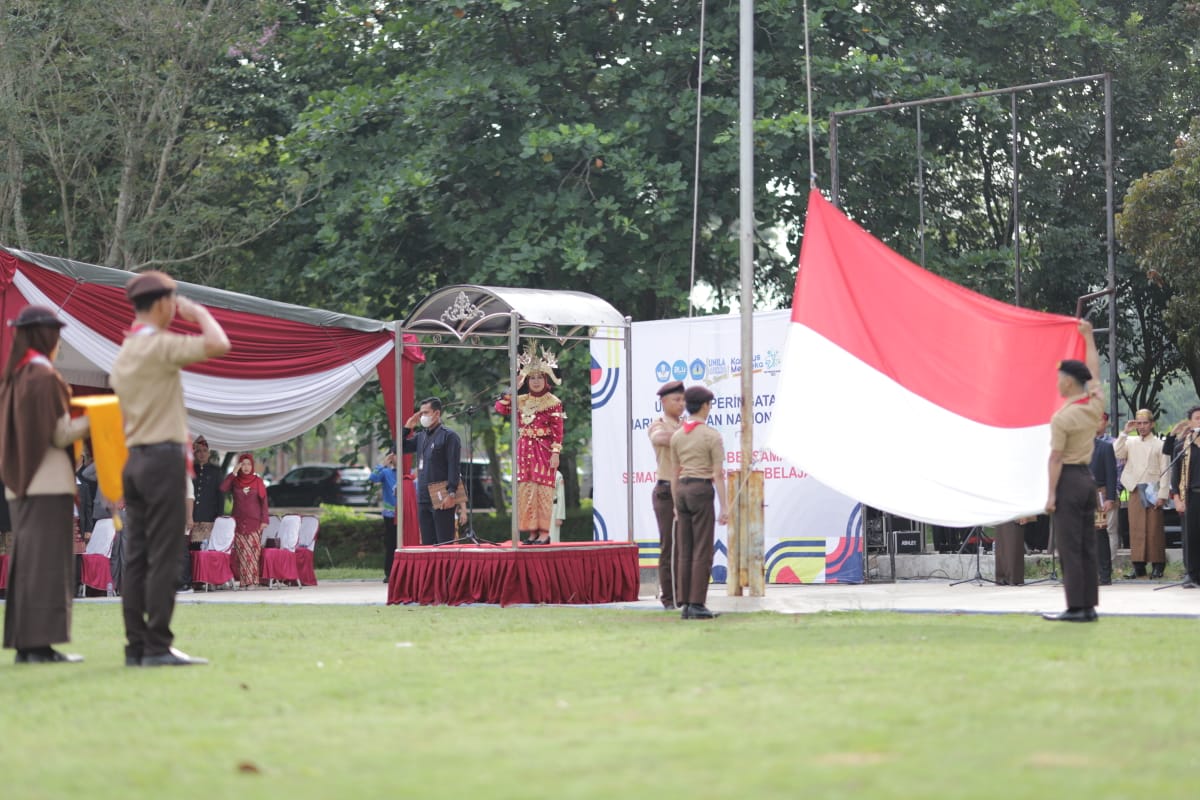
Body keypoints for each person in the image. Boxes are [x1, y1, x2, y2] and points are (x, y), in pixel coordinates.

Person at [110, 270, 230, 667]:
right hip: (162, 460)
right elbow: (218, 343)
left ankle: (136, 645)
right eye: (174, 301)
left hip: (135, 459)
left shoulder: (125, 349)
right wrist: (198, 313)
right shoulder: (157, 344)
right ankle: (158, 645)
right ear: (162, 304)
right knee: (165, 555)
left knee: (137, 556)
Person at [0, 305, 91, 663]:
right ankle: (40, 646)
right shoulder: (44, 377)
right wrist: (100, 417)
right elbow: (59, 434)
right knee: (49, 565)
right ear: (45, 336)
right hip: (47, 483)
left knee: (27, 564)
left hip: (21, 485)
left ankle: (29, 645)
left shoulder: (16, 377)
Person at [1042, 320, 1104, 623]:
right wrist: (1088, 337)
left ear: (1068, 382)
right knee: (1087, 545)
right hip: (1086, 479)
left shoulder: (1062, 417)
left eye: (1059, 377)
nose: (1057, 382)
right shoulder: (1094, 406)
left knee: (1069, 547)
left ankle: (1076, 607)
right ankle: (1088, 606)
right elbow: (1094, 370)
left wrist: (1051, 494)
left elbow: (1055, 458)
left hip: (1067, 479)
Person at [668, 385, 729, 620]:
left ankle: (685, 603)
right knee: (702, 548)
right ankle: (697, 603)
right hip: (700, 489)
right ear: (704, 406)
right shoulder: (711, 435)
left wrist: (675, 503)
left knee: (685, 548)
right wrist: (724, 507)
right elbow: (717, 475)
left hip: (681, 490)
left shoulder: (677, 435)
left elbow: (674, 472)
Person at [494, 345, 565, 544]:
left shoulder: (553, 401)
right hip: (524, 450)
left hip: (543, 450)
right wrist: (513, 388)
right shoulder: (520, 400)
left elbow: (558, 430)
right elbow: (500, 407)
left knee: (543, 490)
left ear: (546, 379)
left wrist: (555, 452)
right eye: (532, 378)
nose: (535, 381)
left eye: (539, 377)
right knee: (526, 490)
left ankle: (544, 533)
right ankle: (532, 533)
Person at [1114, 408, 1170, 578]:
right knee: (1136, 528)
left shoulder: (1160, 444)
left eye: (1145, 423)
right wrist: (1124, 432)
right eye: (1139, 423)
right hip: (1135, 488)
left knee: (1154, 529)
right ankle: (1138, 566)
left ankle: (1157, 566)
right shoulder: (1130, 442)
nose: (1142, 426)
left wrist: (1162, 494)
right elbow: (1116, 452)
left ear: (1152, 424)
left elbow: (1165, 470)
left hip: (1152, 489)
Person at [402, 397, 462, 545]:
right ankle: (432, 569)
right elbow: (397, 448)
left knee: (443, 542)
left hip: (441, 492)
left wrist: (452, 492)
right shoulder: (421, 436)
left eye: (426, 413)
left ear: (436, 414)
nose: (422, 417)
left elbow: (454, 466)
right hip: (423, 494)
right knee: (428, 543)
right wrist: (406, 429)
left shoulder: (449, 436)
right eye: (421, 413)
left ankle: (447, 569)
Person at [648, 380, 685, 608]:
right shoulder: (659, 424)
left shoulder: (685, 425)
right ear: (664, 402)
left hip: (686, 489)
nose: (681, 404)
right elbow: (658, 439)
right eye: (676, 400)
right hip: (665, 492)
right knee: (669, 546)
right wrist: (689, 435)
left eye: (683, 400)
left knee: (685, 547)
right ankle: (669, 599)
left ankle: (685, 596)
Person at [220, 453, 269, 589]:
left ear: (252, 466)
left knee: (253, 553)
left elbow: (264, 501)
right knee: (242, 553)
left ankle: (252, 582)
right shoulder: (235, 481)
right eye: (243, 464)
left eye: (249, 464)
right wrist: (233, 473)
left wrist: (264, 520)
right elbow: (223, 488)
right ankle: (244, 581)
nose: (246, 467)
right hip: (238, 522)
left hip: (255, 522)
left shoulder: (257, 481)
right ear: (239, 465)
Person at [1166, 406, 1200, 588]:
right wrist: (1177, 499)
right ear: (1190, 422)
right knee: (1190, 537)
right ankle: (1191, 574)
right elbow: (1175, 476)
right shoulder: (1182, 447)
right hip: (1191, 497)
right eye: (1197, 418)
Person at [1090, 413, 1119, 586]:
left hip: (1098, 494)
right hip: (1079, 495)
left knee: (1100, 534)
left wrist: (1110, 498)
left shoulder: (1105, 447)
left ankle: (1104, 574)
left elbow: (1111, 474)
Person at [370, 450, 398, 578]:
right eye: (394, 456)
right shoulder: (386, 472)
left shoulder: (408, 473)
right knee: (391, 543)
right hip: (390, 515)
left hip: (405, 514)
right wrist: (383, 464)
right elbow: (373, 478)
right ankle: (389, 573)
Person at [549, 470, 566, 543]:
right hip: (541, 509)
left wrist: (559, 517)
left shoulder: (558, 475)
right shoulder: (539, 472)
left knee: (553, 537)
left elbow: (561, 497)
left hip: (553, 508)